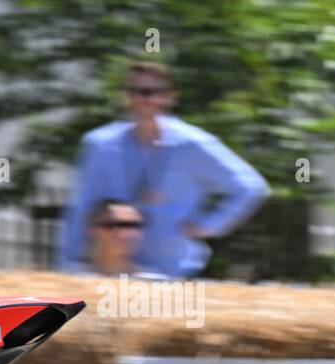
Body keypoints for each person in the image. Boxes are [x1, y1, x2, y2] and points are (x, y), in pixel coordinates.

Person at [57, 61, 268, 278]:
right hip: (115, 273)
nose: (145, 99)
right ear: (125, 97)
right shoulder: (101, 145)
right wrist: (68, 261)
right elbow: (83, 207)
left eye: (154, 92)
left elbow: (250, 187)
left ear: (171, 97)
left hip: (173, 271)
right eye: (136, 91)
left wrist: (208, 226)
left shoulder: (193, 144)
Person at [86, 199, 145, 276]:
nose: (125, 233)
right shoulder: (73, 277)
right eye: (112, 225)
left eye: (134, 226)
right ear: (93, 230)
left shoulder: (157, 283)